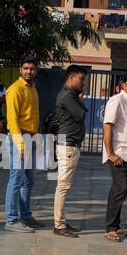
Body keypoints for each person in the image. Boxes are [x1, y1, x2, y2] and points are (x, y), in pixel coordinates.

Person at [102, 72, 127, 242]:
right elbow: (108, 126)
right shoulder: (116, 100)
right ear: (123, 84)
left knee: (121, 190)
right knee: (120, 189)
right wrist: (111, 153)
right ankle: (110, 227)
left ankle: (116, 226)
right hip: (119, 154)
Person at [4, 57, 42, 233]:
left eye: (32, 69)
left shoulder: (33, 89)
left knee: (29, 179)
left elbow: (33, 116)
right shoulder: (15, 89)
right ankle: (11, 220)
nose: (29, 71)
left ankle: (25, 215)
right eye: (26, 68)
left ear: (36, 70)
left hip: (32, 139)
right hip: (19, 139)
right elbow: (12, 120)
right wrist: (21, 144)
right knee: (16, 178)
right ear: (20, 69)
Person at [50, 65, 86, 237]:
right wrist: (80, 99)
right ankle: (59, 225)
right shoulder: (67, 96)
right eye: (81, 79)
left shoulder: (69, 94)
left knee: (64, 185)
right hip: (68, 145)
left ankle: (61, 221)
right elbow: (80, 115)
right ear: (71, 78)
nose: (83, 83)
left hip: (69, 144)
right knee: (63, 186)